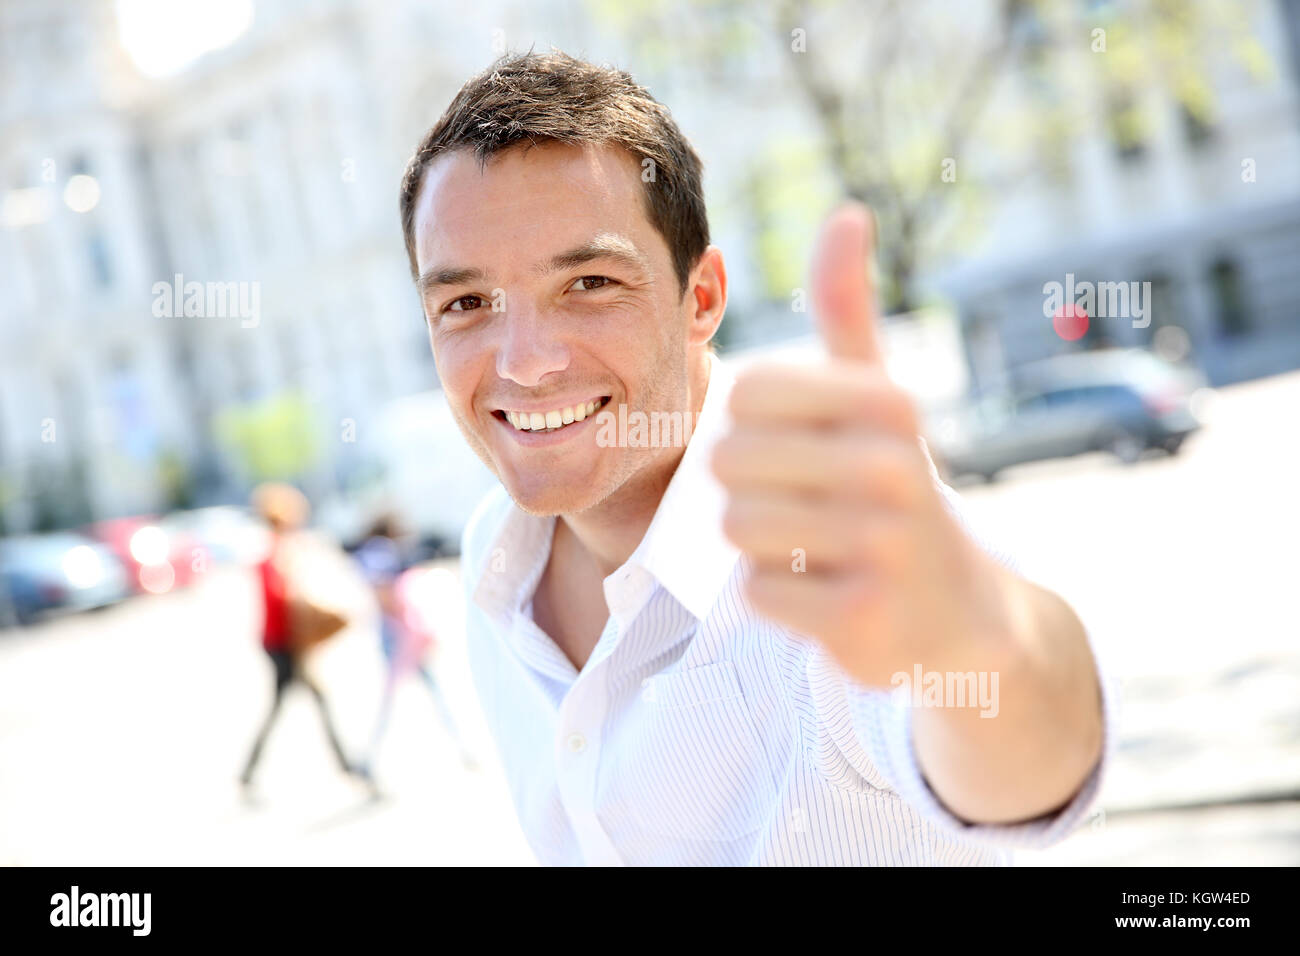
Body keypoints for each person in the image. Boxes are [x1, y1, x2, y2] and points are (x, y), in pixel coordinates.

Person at [398, 52, 1113, 865]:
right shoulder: (494, 559)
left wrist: (973, 645)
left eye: (590, 283)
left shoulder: (823, 524)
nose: (523, 362)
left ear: (699, 299)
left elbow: (1031, 767)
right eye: (464, 303)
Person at [239, 482, 368, 793]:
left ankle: (249, 772)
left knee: (295, 704)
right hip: (285, 643)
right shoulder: (274, 551)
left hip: (284, 641)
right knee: (299, 704)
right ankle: (348, 767)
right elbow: (281, 599)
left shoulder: (279, 549)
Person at [352, 514, 476, 775]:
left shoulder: (370, 552)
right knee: (400, 695)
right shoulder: (380, 552)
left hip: (397, 631)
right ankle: (372, 756)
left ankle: (371, 757)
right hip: (399, 632)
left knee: (411, 693)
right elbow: (384, 593)